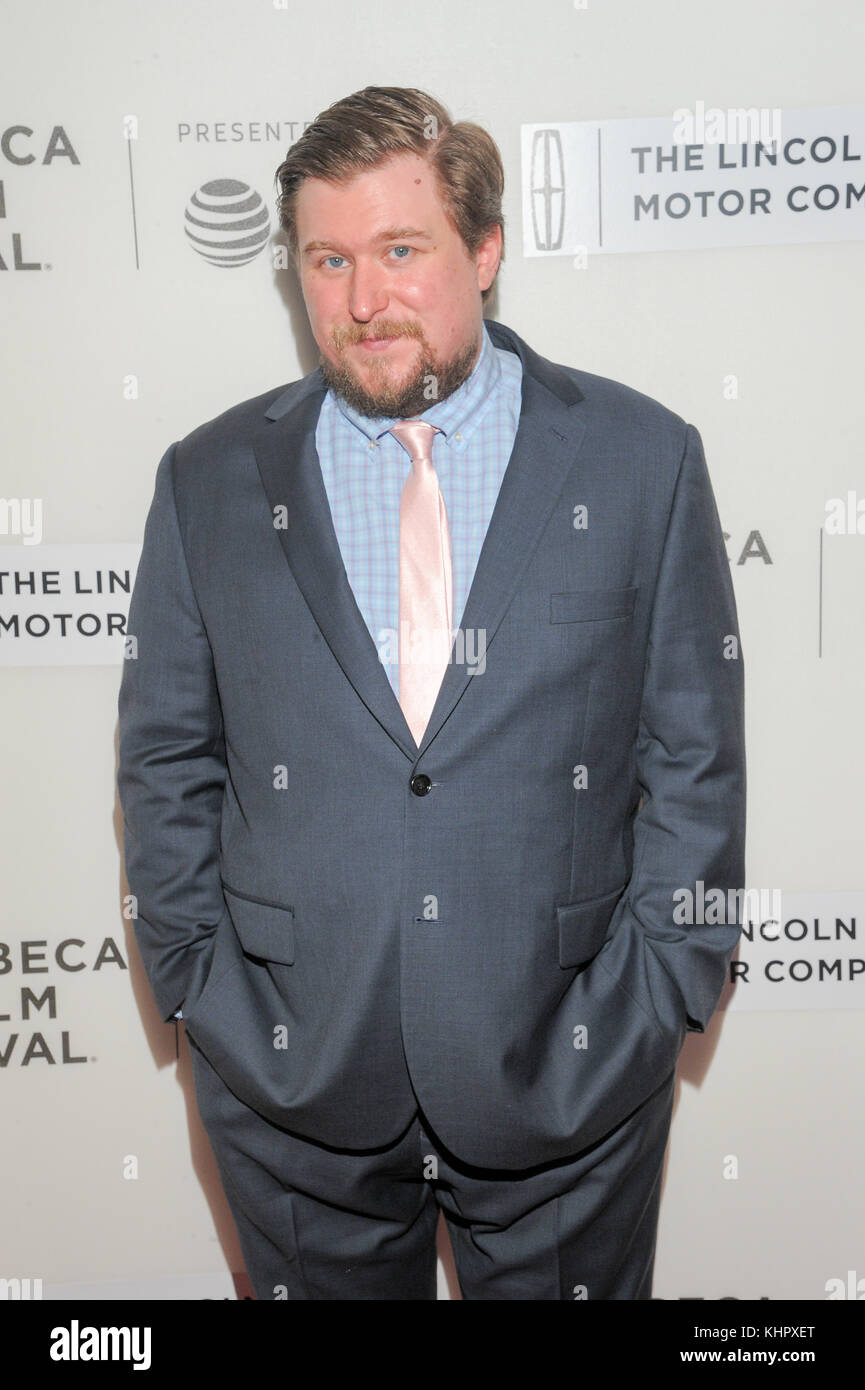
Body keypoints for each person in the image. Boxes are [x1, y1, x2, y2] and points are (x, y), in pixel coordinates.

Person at [117, 85, 746, 1301]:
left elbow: (693, 758)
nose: (362, 302)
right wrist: (201, 987)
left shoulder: (637, 459)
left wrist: (661, 986)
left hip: (571, 1078)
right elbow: (164, 762)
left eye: (402, 251)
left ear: (486, 251)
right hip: (290, 1087)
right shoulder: (208, 478)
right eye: (328, 260)